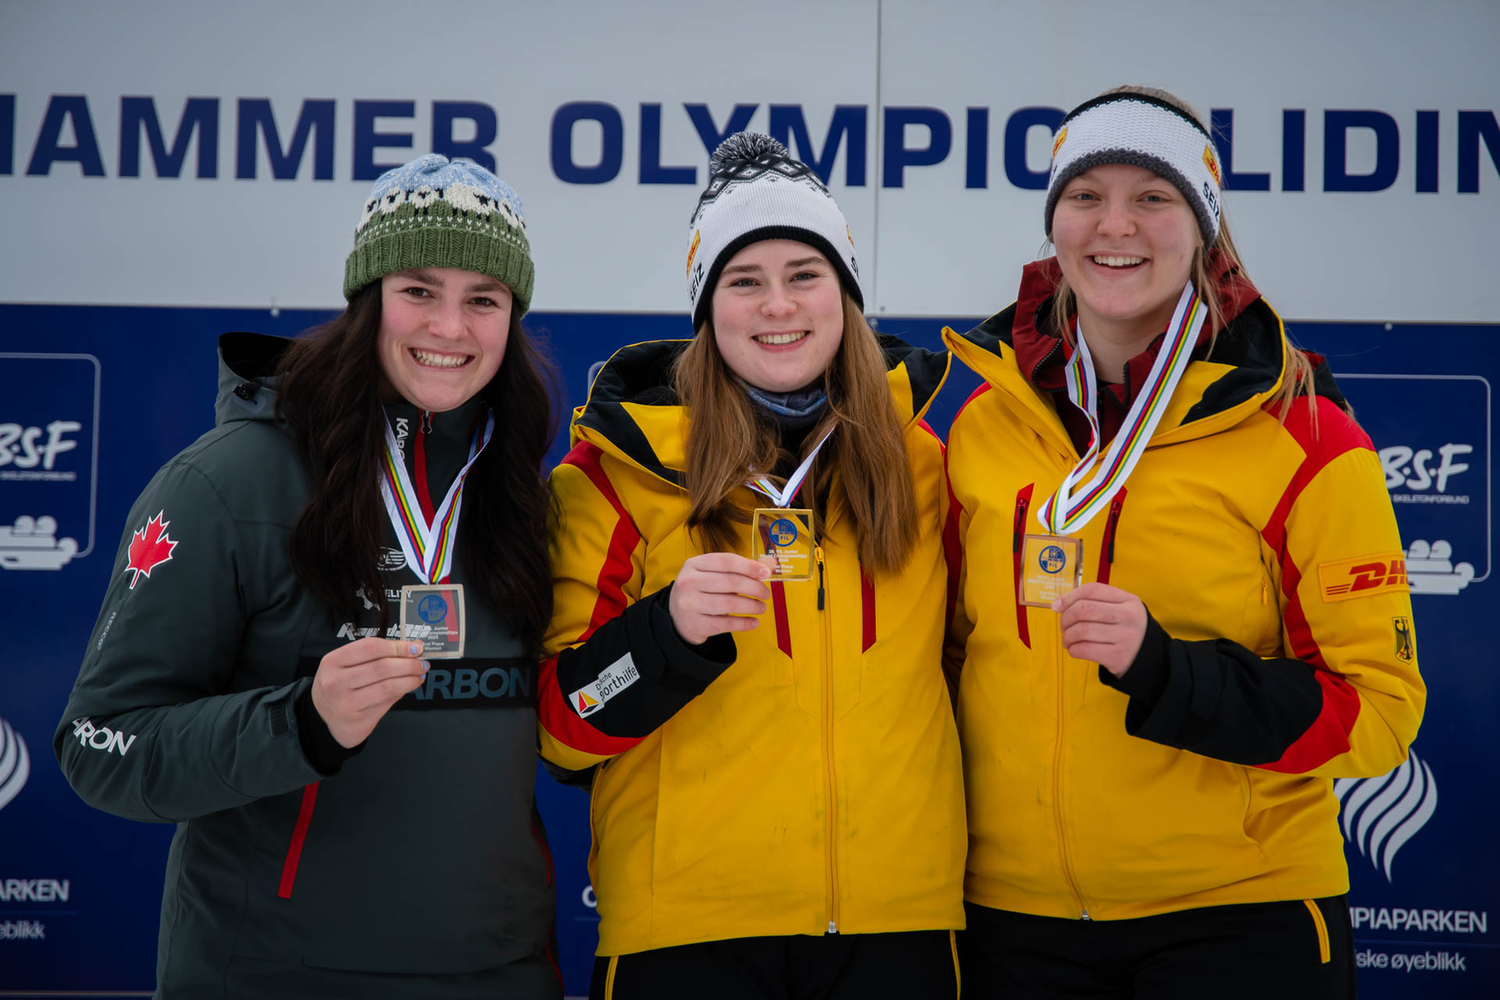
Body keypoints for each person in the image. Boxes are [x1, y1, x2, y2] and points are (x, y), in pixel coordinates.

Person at [943, 86, 1426, 998]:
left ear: (1203, 227)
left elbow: (1379, 713)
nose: (1113, 224)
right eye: (1085, 195)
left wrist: (1171, 671)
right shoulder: (981, 423)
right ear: (1055, 224)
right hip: (1012, 921)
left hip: (1237, 916)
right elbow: (950, 653)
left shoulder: (1306, 434)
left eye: (1152, 198)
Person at [55, 154, 562, 998]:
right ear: (367, 300)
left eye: (485, 299)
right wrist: (299, 722)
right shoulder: (230, 481)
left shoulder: (521, 496)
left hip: (496, 976)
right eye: (419, 290)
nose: (450, 326)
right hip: (270, 977)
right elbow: (100, 745)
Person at [537, 133, 965, 999]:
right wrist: (664, 634)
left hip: (902, 928)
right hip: (689, 934)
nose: (778, 306)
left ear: (843, 292)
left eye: (805, 274)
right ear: (707, 307)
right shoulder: (614, 476)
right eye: (745, 281)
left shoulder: (926, 466)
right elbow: (560, 729)